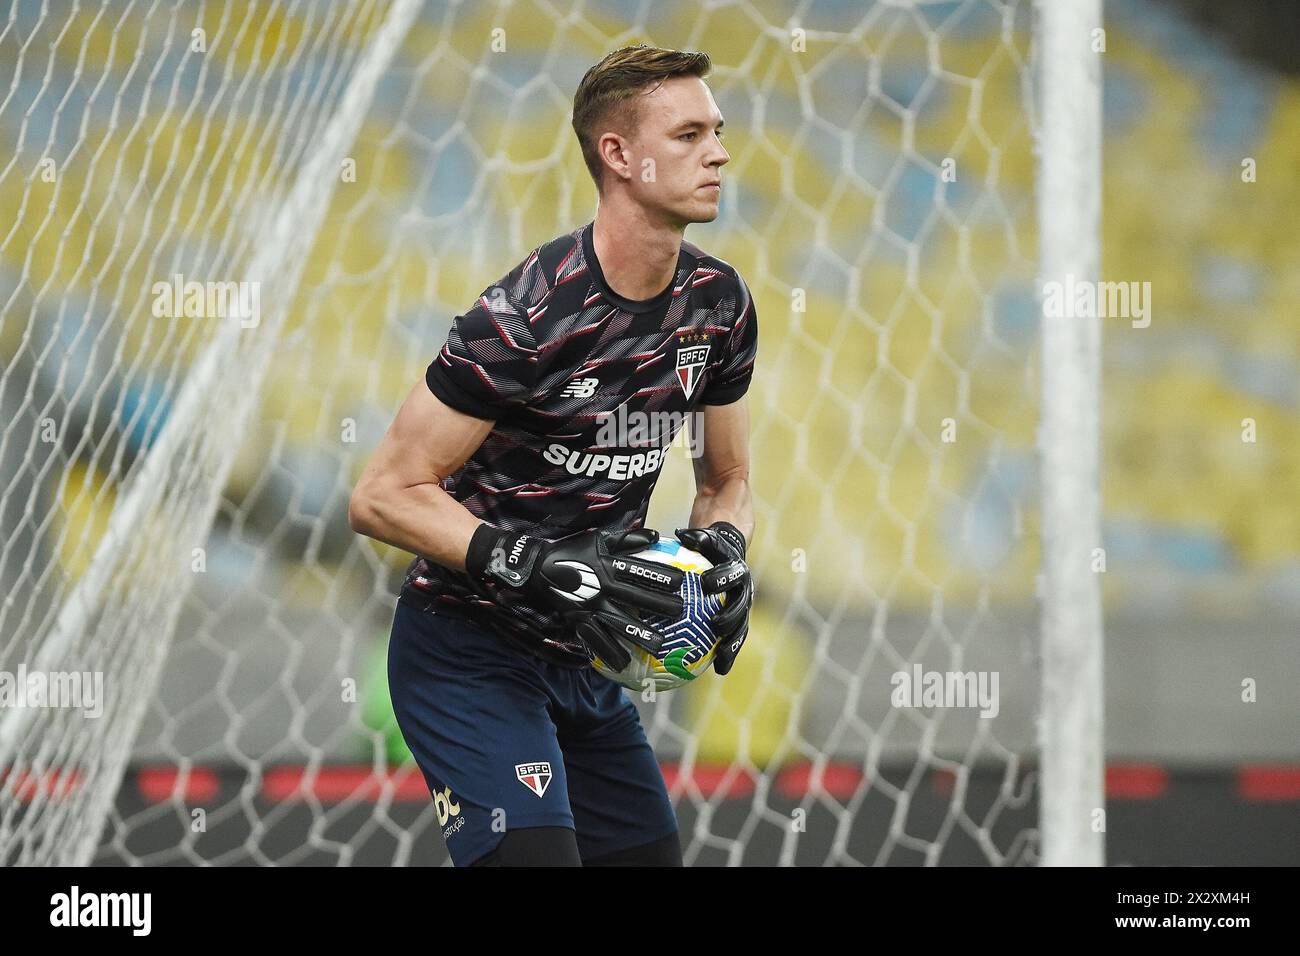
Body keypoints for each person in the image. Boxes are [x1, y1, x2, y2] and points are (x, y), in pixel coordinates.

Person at [348, 44, 758, 867]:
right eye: (688, 135)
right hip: (467, 650)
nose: (718, 153)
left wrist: (726, 548)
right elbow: (381, 495)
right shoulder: (524, 318)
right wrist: (529, 562)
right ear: (619, 155)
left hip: (588, 663)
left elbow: (728, 478)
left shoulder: (719, 306)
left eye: (716, 132)